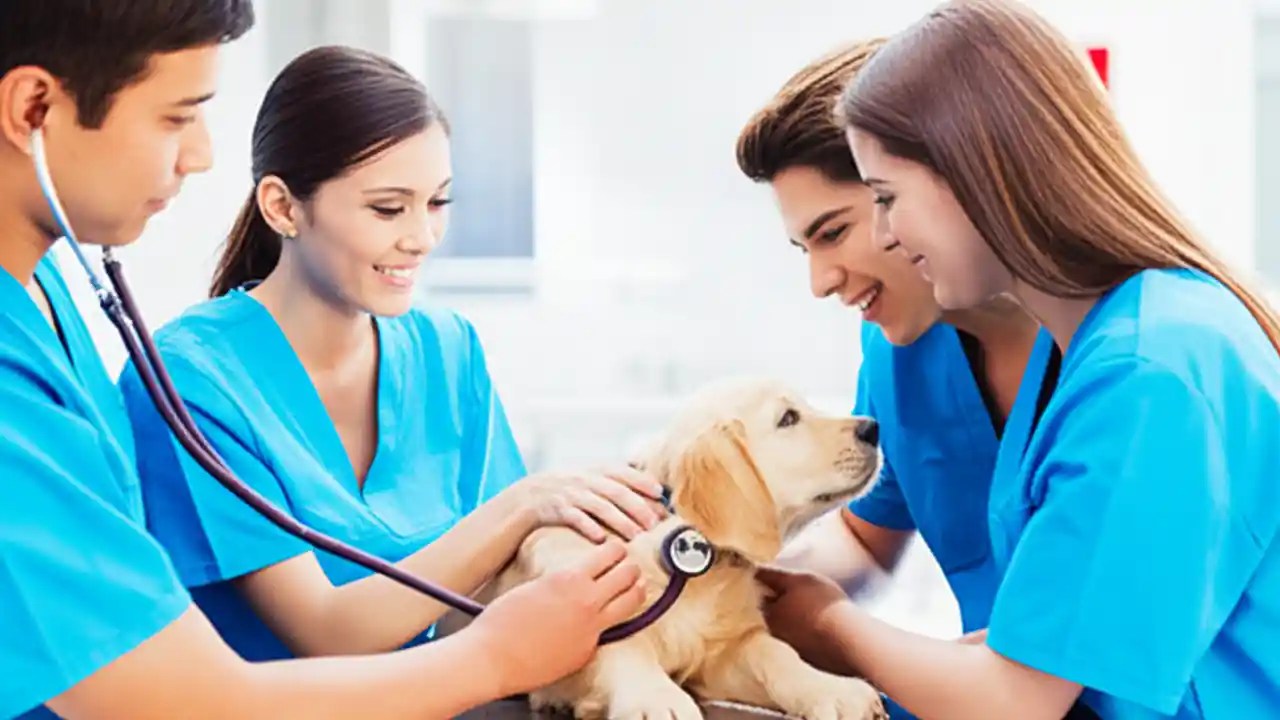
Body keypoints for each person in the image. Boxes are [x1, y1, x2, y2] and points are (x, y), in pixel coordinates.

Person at [0, 3, 644, 719]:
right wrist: (496, 652)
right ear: (32, 107)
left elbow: (505, 586)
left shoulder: (45, 295)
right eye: (177, 117)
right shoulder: (181, 375)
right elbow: (179, 695)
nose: (203, 155)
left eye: (438, 202)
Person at [760, 1, 1280, 718]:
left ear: (974, 171)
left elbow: (1018, 700)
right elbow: (1038, 640)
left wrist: (826, 625)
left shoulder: (1148, 372)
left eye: (885, 199)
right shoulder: (1109, 348)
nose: (884, 233)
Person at [117, 44, 665, 662]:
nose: (421, 237)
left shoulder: (447, 349)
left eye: (437, 203)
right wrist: (524, 503)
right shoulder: (190, 380)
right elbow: (327, 632)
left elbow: (494, 594)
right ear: (282, 207)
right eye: (387, 208)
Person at [734, 40, 1048, 637]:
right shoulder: (900, 355)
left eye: (834, 232)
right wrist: (726, 580)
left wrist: (835, 632)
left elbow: (1037, 672)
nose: (820, 283)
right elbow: (865, 541)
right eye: (805, 249)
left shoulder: (1124, 362)